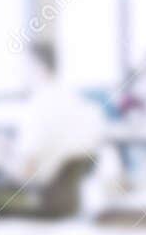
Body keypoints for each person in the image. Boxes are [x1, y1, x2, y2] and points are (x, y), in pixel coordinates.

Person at [6, 41, 105, 186]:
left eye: (25, 68)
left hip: (39, 196)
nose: (22, 74)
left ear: (39, 68)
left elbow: (28, 168)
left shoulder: (37, 107)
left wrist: (4, 157)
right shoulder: (76, 100)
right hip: (72, 195)